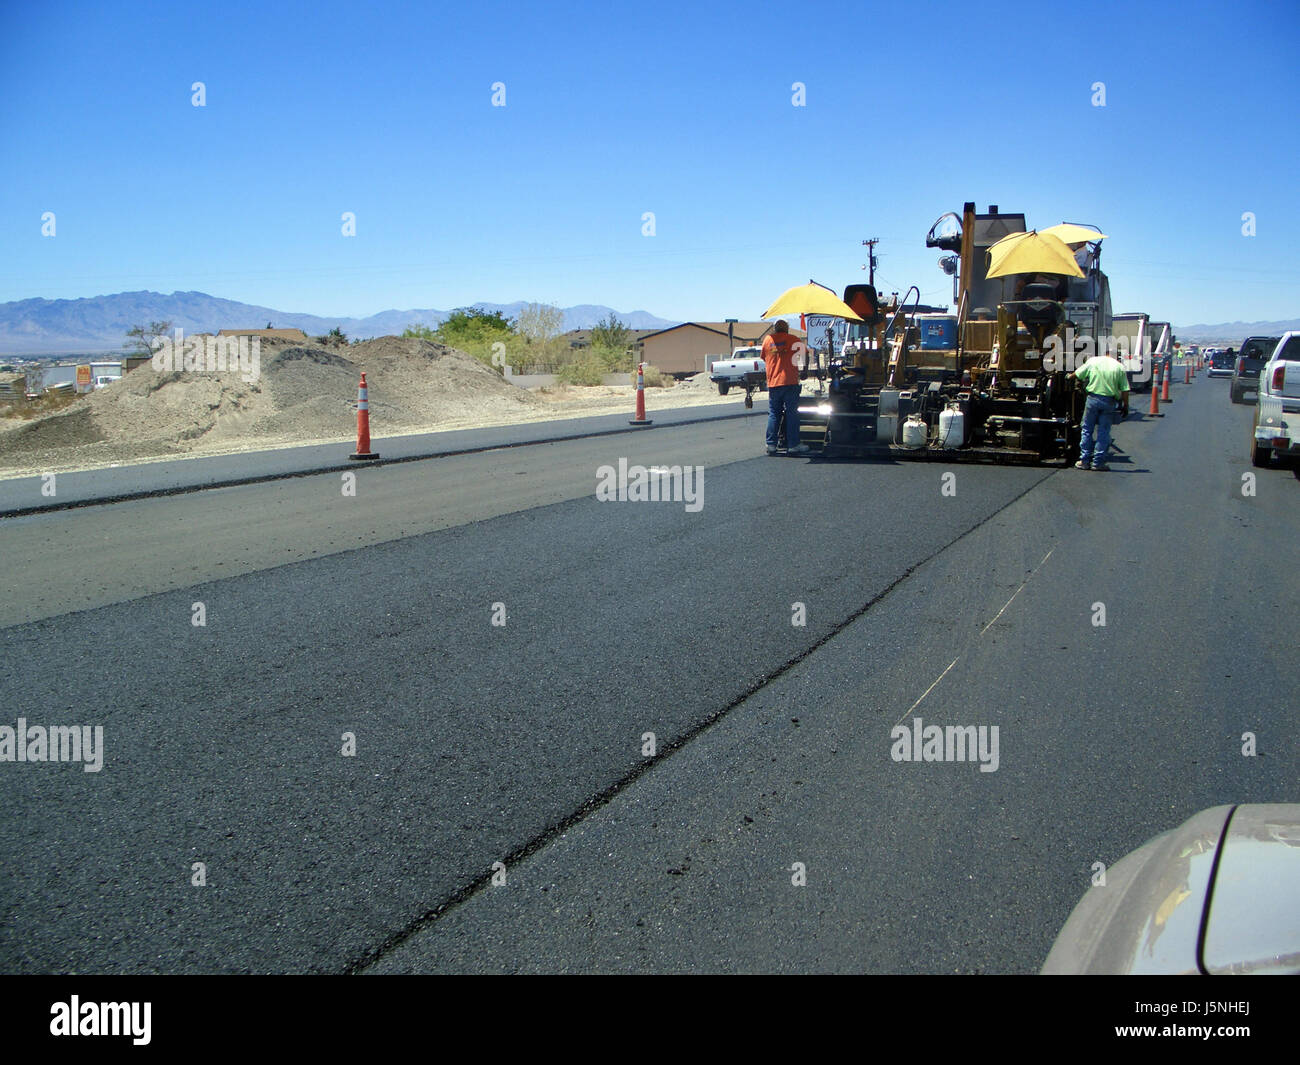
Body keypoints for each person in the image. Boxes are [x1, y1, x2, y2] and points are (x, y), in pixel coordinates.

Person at [1070, 350, 1130, 470]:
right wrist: (1125, 406)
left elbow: (1076, 374)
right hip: (1109, 402)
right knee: (1103, 431)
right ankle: (1098, 463)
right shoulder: (1119, 367)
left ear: (1105, 353)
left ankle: (1084, 460)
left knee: (1087, 429)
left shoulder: (1093, 361)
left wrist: (1068, 377)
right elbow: (1125, 390)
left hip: (1092, 400)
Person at [761, 320, 809, 456]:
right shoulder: (793, 339)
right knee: (791, 413)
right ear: (787, 328)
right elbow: (804, 354)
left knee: (774, 413)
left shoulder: (767, 340)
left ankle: (771, 445)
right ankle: (793, 445)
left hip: (774, 383)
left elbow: (764, 357)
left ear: (775, 328)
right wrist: (804, 370)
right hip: (790, 382)